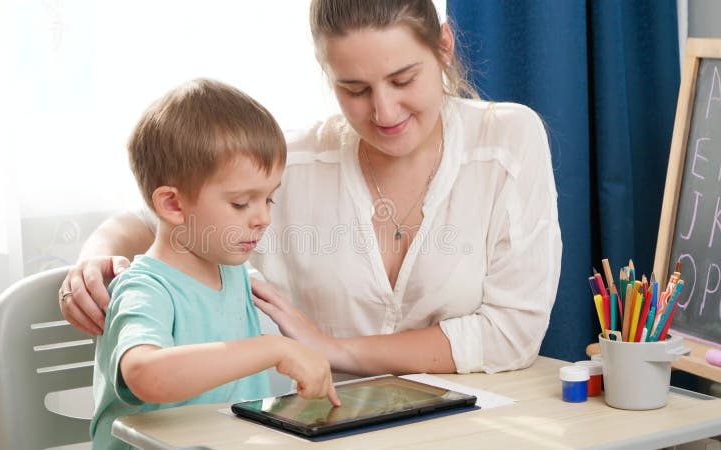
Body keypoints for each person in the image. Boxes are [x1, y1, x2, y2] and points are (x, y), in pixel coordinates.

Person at [61, 0, 562, 378]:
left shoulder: (506, 141)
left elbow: (510, 334)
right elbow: (154, 218)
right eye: (354, 89)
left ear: (444, 46)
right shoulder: (292, 163)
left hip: (471, 422)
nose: (384, 112)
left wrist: (331, 348)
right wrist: (92, 260)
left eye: (403, 79)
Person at [86, 78, 339, 450]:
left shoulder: (232, 272)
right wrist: (274, 349)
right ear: (173, 205)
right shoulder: (144, 288)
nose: (263, 218)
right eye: (241, 203)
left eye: (269, 199)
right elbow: (144, 374)